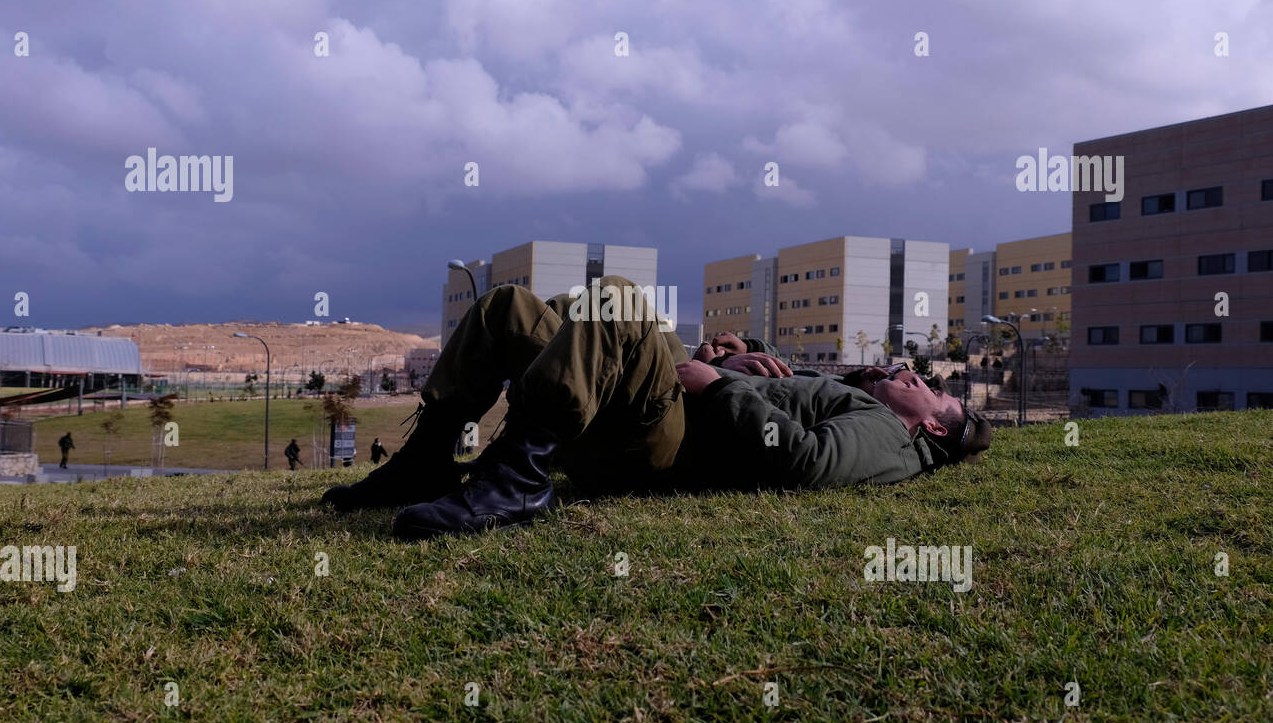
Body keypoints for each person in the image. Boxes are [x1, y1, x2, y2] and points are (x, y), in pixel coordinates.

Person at [321, 278, 992, 541]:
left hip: (665, 445)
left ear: (932, 423)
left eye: (930, 387)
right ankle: (428, 461)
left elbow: (807, 461)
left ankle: (520, 482)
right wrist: (731, 359)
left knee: (617, 298)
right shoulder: (863, 395)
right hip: (673, 411)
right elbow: (782, 403)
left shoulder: (892, 441)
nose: (912, 374)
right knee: (512, 307)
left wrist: (714, 385)